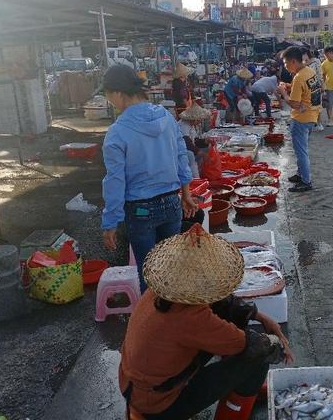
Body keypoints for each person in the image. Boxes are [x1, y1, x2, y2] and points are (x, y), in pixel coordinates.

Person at [119, 225, 293, 420]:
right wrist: (276, 345)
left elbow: (224, 306)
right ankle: (235, 407)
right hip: (159, 405)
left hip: (136, 388)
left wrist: (260, 316)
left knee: (232, 320)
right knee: (260, 356)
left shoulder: (159, 292)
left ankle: (243, 388)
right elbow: (245, 343)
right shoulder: (191, 318)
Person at [101, 64, 198, 293]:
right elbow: (180, 157)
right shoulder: (165, 116)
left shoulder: (117, 132)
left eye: (107, 94)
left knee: (151, 277)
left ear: (117, 93)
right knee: (171, 269)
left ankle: (155, 323)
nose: (109, 100)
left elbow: (115, 181)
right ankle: (175, 316)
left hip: (141, 211)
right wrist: (186, 194)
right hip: (171, 203)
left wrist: (110, 222)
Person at [277, 46, 322, 193]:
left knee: (301, 151)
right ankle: (301, 173)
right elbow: (307, 91)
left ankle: (306, 181)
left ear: (294, 61)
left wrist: (283, 92)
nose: (285, 67)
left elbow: (294, 103)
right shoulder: (309, 71)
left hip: (301, 119)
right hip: (312, 116)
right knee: (302, 149)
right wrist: (290, 86)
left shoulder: (298, 77)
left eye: (286, 64)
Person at [178, 104, 211, 179]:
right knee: (191, 155)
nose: (200, 122)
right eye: (199, 120)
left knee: (207, 148)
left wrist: (205, 142)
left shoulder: (191, 125)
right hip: (180, 149)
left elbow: (195, 140)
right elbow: (186, 142)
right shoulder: (184, 125)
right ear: (194, 119)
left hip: (187, 146)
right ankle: (195, 178)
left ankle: (201, 170)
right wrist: (199, 152)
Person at [302, 49, 324, 132]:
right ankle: (309, 122)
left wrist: (322, 85)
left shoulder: (316, 61)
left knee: (317, 105)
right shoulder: (302, 63)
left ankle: (319, 123)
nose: (302, 56)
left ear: (307, 54)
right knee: (308, 105)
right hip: (305, 88)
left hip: (315, 87)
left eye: (303, 54)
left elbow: (320, 74)